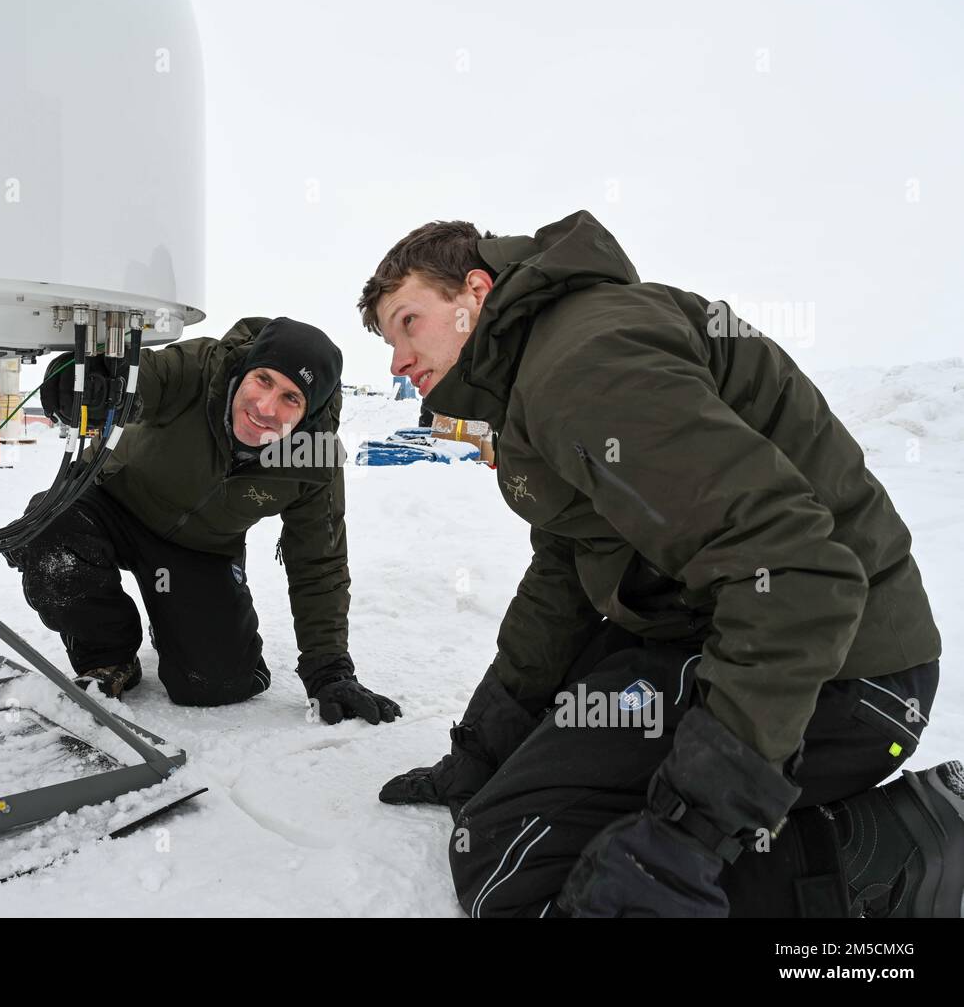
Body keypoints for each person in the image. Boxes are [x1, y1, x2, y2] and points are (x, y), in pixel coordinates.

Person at [361, 211, 962, 917]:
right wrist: (484, 750)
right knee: (511, 806)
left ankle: (884, 854)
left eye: (407, 322)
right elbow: (563, 583)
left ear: (477, 291)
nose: (397, 361)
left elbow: (792, 567)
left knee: (515, 860)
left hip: (844, 673)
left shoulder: (584, 363)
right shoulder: (538, 380)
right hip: (730, 633)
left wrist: (691, 829)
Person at [5, 316, 400, 725]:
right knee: (51, 535)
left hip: (197, 548)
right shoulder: (200, 369)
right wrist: (94, 379)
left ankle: (176, 621)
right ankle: (107, 654)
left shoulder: (314, 457)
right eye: (263, 380)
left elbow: (320, 562)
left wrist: (328, 669)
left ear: (309, 413)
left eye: (291, 399)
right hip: (109, 504)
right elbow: (144, 376)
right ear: (244, 369)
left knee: (215, 683)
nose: (266, 408)